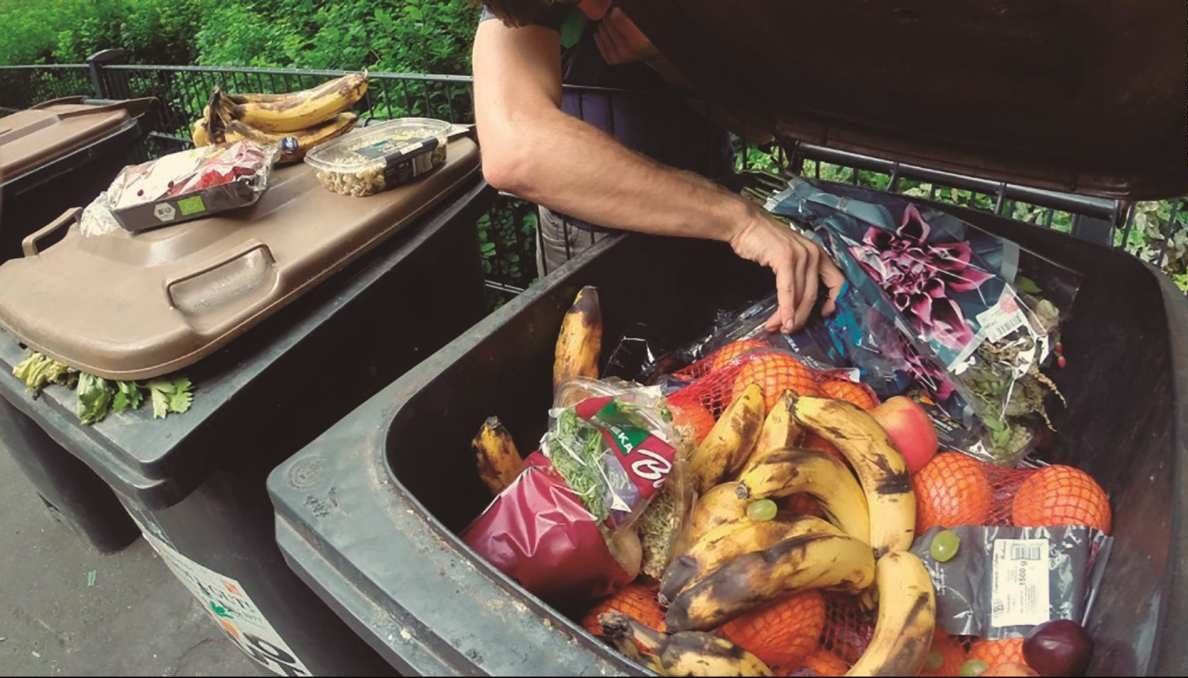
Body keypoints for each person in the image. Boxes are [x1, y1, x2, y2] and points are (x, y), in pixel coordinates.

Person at [474, 0, 844, 333]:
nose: (592, 11)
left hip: (713, 216)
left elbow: (763, 128)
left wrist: (667, 54)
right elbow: (515, 147)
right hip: (588, 235)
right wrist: (739, 220)